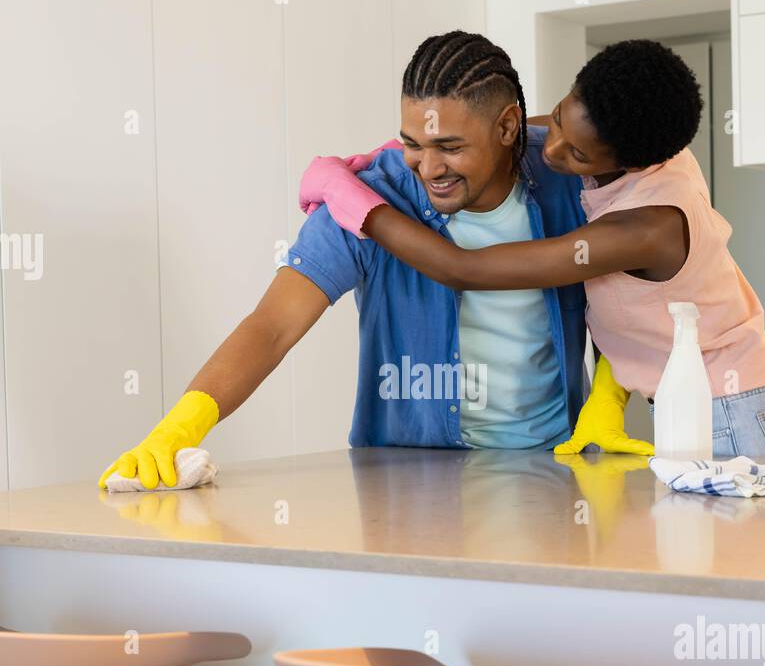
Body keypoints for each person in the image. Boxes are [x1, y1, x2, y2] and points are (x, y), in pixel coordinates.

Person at [99, 32, 641, 491]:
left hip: (553, 467)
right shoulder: (364, 199)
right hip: (414, 478)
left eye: (449, 146)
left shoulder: (569, 179)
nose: (428, 168)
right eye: (412, 143)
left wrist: (607, 397)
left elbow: (629, 297)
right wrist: (181, 426)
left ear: (506, 127)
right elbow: (271, 327)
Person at [303, 39, 765, 464]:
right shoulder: (640, 133)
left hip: (738, 423)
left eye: (574, 154)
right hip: (714, 411)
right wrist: (404, 150)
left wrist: (356, 202)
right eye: (560, 121)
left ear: (629, 160)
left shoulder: (644, 226)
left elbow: (463, 269)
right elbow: (514, 129)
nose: (549, 151)